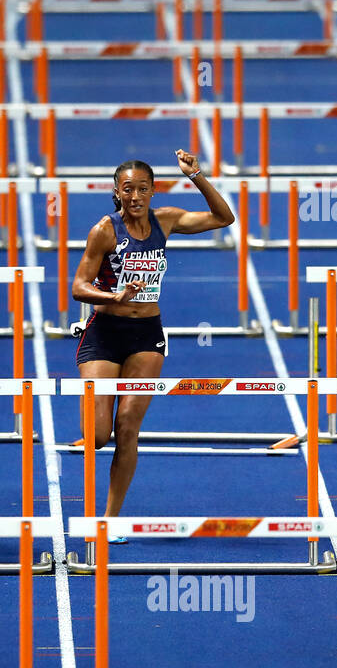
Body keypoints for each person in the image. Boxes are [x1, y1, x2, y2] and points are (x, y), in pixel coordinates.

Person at [72, 152, 235, 537]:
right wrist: (113, 296)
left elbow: (224, 218)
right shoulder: (104, 231)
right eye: (128, 189)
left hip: (146, 335)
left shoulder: (167, 220)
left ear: (152, 191)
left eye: (142, 189)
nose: (135, 196)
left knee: (128, 427)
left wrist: (196, 175)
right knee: (97, 436)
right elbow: (78, 286)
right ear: (117, 192)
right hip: (104, 332)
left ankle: (110, 521)